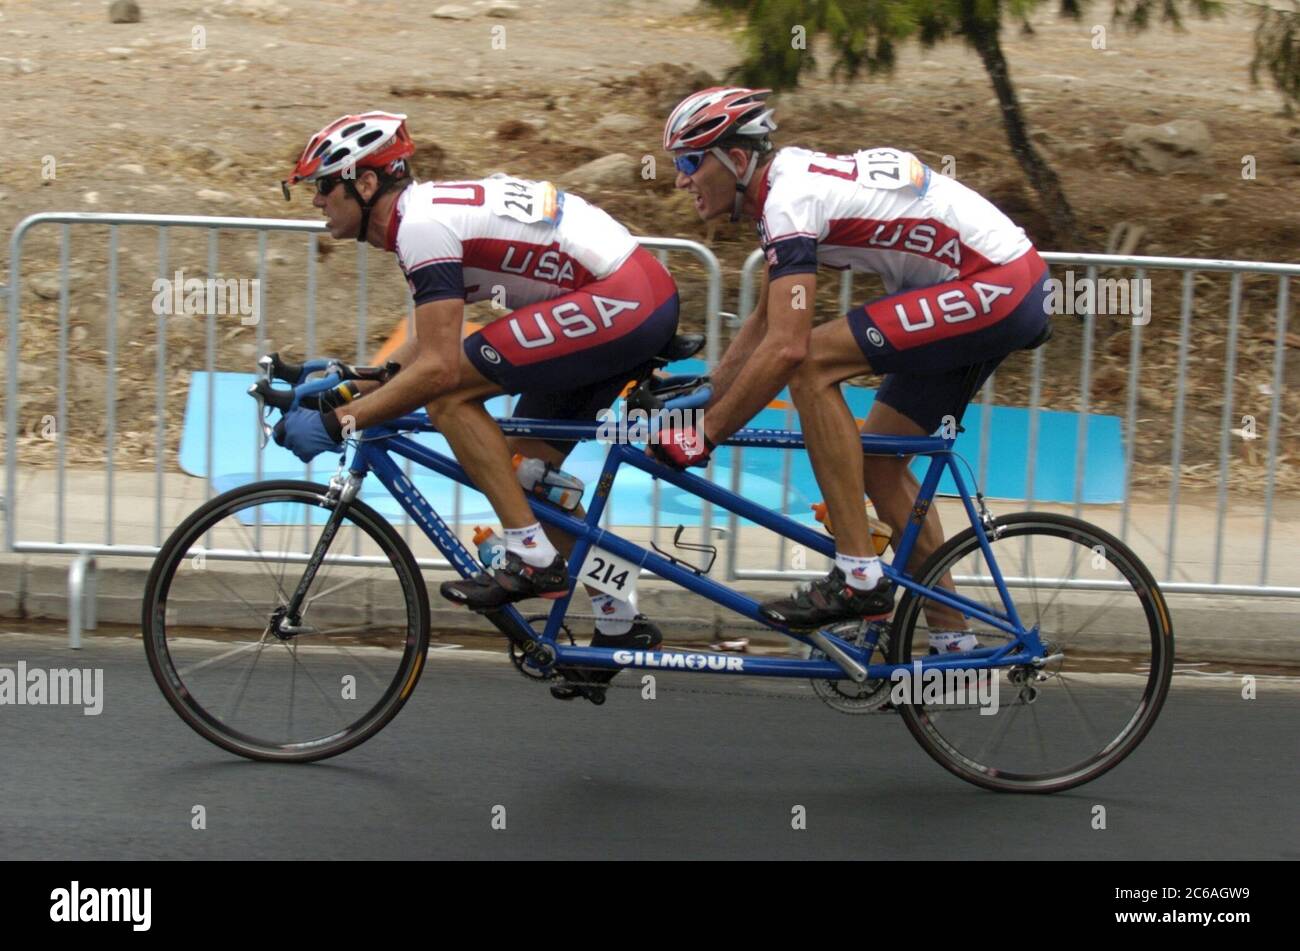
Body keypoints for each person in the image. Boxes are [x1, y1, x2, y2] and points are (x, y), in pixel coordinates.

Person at [653, 88, 1052, 650]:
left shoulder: (788, 201)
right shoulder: (789, 189)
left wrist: (708, 436)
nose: (680, 180)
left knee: (812, 363)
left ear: (736, 161)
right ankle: (951, 641)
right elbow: (769, 319)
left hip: (995, 282)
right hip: (995, 285)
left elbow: (788, 348)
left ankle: (858, 575)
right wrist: (706, 395)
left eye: (690, 163)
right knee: (878, 465)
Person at [276, 110, 680, 660]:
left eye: (324, 187)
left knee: (447, 396)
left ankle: (532, 559)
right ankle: (618, 621)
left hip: (622, 299)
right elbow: (426, 345)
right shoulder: (420, 219)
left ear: (365, 184)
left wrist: (334, 423)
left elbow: (439, 371)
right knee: (524, 470)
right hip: (630, 296)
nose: (318, 200)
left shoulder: (420, 228)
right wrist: (355, 382)